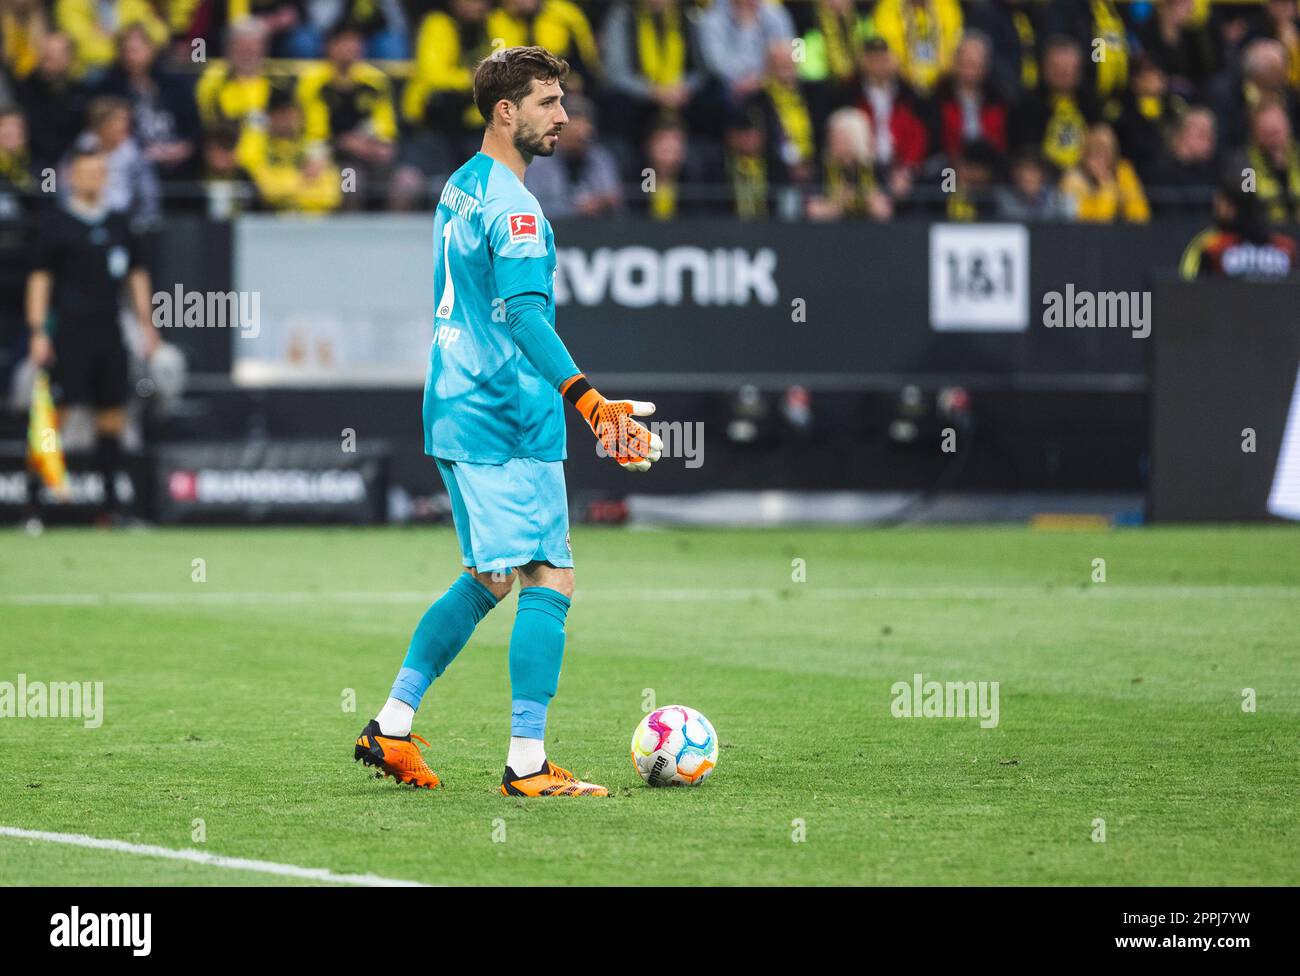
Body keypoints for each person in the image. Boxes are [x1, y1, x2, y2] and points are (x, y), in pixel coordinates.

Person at [354, 46, 663, 798]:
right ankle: (526, 763)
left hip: (456, 405)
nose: (564, 116)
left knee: (490, 577)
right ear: (506, 111)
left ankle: (391, 726)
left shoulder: (462, 185)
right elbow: (524, 315)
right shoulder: (517, 207)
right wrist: (589, 401)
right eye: (549, 101)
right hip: (505, 417)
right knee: (548, 575)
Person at [26, 145, 159, 524]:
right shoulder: (57, 225)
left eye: (99, 172)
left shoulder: (120, 223)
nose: (92, 178)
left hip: (109, 331)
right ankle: (34, 507)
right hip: (68, 331)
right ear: (71, 176)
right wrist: (38, 331)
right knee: (55, 417)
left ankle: (110, 507)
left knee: (112, 418)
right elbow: (40, 280)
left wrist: (147, 325)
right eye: (85, 172)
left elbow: (137, 276)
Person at [1179, 174, 1296, 278]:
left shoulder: (1213, 246)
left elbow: (1190, 285)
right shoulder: (1285, 246)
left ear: (1232, 208)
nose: (1215, 205)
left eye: (1220, 201)